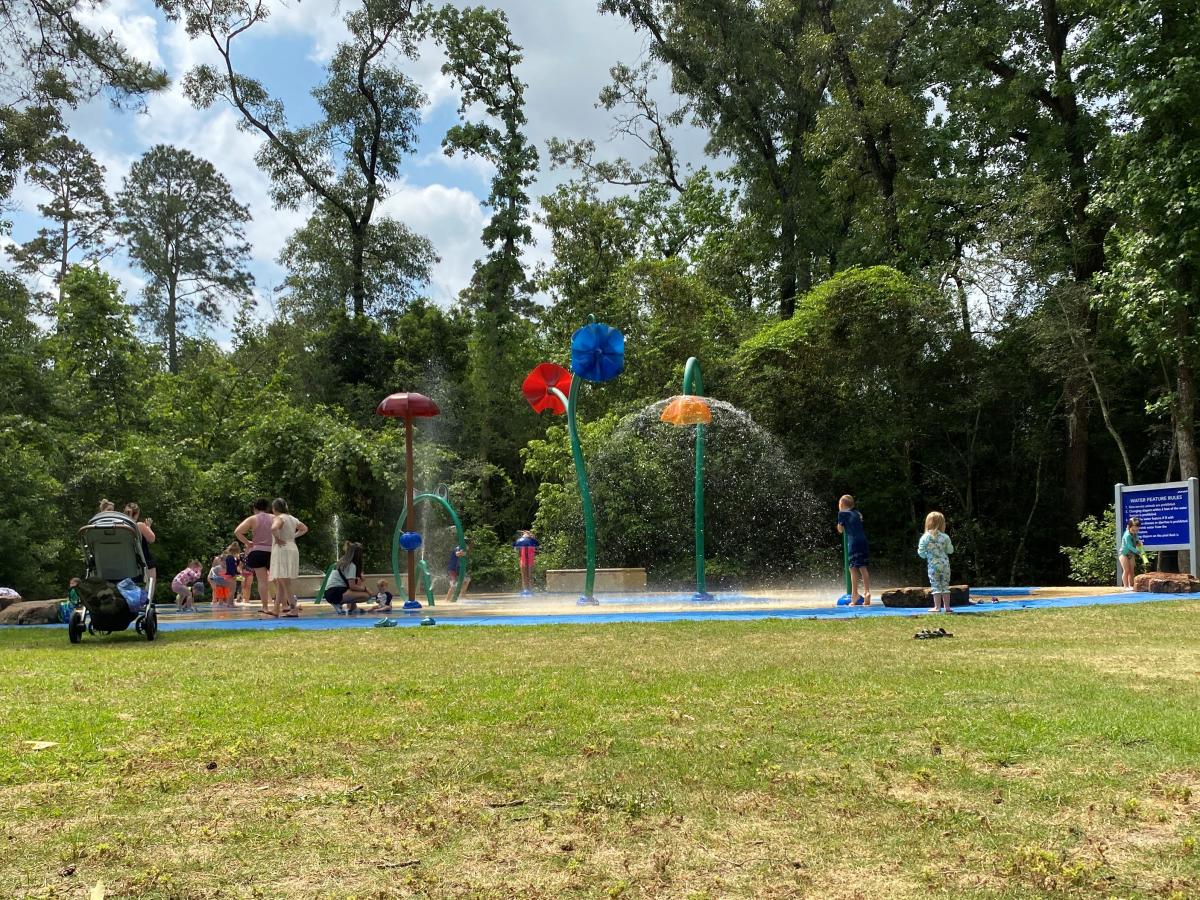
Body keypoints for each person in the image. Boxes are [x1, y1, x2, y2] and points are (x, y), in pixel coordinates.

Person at [234, 499, 275, 614]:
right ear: (267, 508)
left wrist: (247, 542)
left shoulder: (253, 519)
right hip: (273, 552)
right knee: (278, 580)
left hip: (257, 552)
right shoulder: (274, 518)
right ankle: (286, 604)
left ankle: (265, 607)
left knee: (262, 581)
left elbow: (237, 531)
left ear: (254, 508)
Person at [269, 498, 307, 618]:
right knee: (281, 581)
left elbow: (274, 528)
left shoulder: (280, 518)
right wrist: (293, 536)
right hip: (292, 547)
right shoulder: (292, 518)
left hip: (282, 549)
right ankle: (276, 609)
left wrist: (277, 538)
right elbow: (304, 529)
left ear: (275, 508)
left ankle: (293, 608)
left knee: (284, 581)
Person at [836, 494, 871, 605]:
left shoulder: (842, 514)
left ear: (842, 505)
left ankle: (854, 595)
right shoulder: (858, 513)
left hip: (854, 543)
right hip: (863, 541)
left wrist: (839, 524)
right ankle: (867, 592)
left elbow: (840, 529)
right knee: (863, 567)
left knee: (853, 569)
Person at [917, 511, 955, 613]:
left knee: (936, 586)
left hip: (933, 566)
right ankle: (947, 607)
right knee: (945, 586)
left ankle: (937, 607)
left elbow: (921, 552)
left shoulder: (925, 537)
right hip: (945, 565)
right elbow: (950, 550)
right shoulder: (945, 537)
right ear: (942, 524)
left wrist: (927, 556)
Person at [324, 541, 371, 614]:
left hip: (330, 593)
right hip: (335, 593)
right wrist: (365, 589)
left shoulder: (343, 562)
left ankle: (352, 607)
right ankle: (338, 603)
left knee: (358, 588)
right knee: (366, 596)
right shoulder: (351, 565)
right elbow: (352, 586)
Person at [124, 502, 156, 588]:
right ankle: (148, 598)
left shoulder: (120, 527)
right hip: (143, 562)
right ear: (137, 514)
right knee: (151, 579)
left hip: (126, 562)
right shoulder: (139, 525)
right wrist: (148, 526)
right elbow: (152, 539)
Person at [1120, 516, 1144, 589]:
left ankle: (1131, 585)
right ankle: (1126, 586)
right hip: (1124, 554)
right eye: (1133, 530)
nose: (1135, 532)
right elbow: (1129, 546)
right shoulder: (1127, 535)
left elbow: (1136, 541)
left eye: (1137, 530)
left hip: (1131, 554)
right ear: (1128, 527)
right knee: (1126, 570)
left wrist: (1139, 543)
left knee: (1131, 570)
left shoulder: (1135, 534)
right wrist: (1138, 552)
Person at [445, 539, 470, 604]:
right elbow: (458, 554)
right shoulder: (458, 548)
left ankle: (462, 595)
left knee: (467, 579)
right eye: (467, 545)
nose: (468, 547)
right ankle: (447, 600)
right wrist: (463, 553)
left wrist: (464, 553)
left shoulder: (463, 549)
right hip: (452, 569)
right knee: (453, 584)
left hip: (458, 569)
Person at [515, 530, 538, 595]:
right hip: (523, 560)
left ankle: (531, 590)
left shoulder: (532, 540)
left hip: (530, 560)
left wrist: (528, 533)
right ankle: (525, 590)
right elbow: (519, 551)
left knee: (529, 576)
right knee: (524, 576)